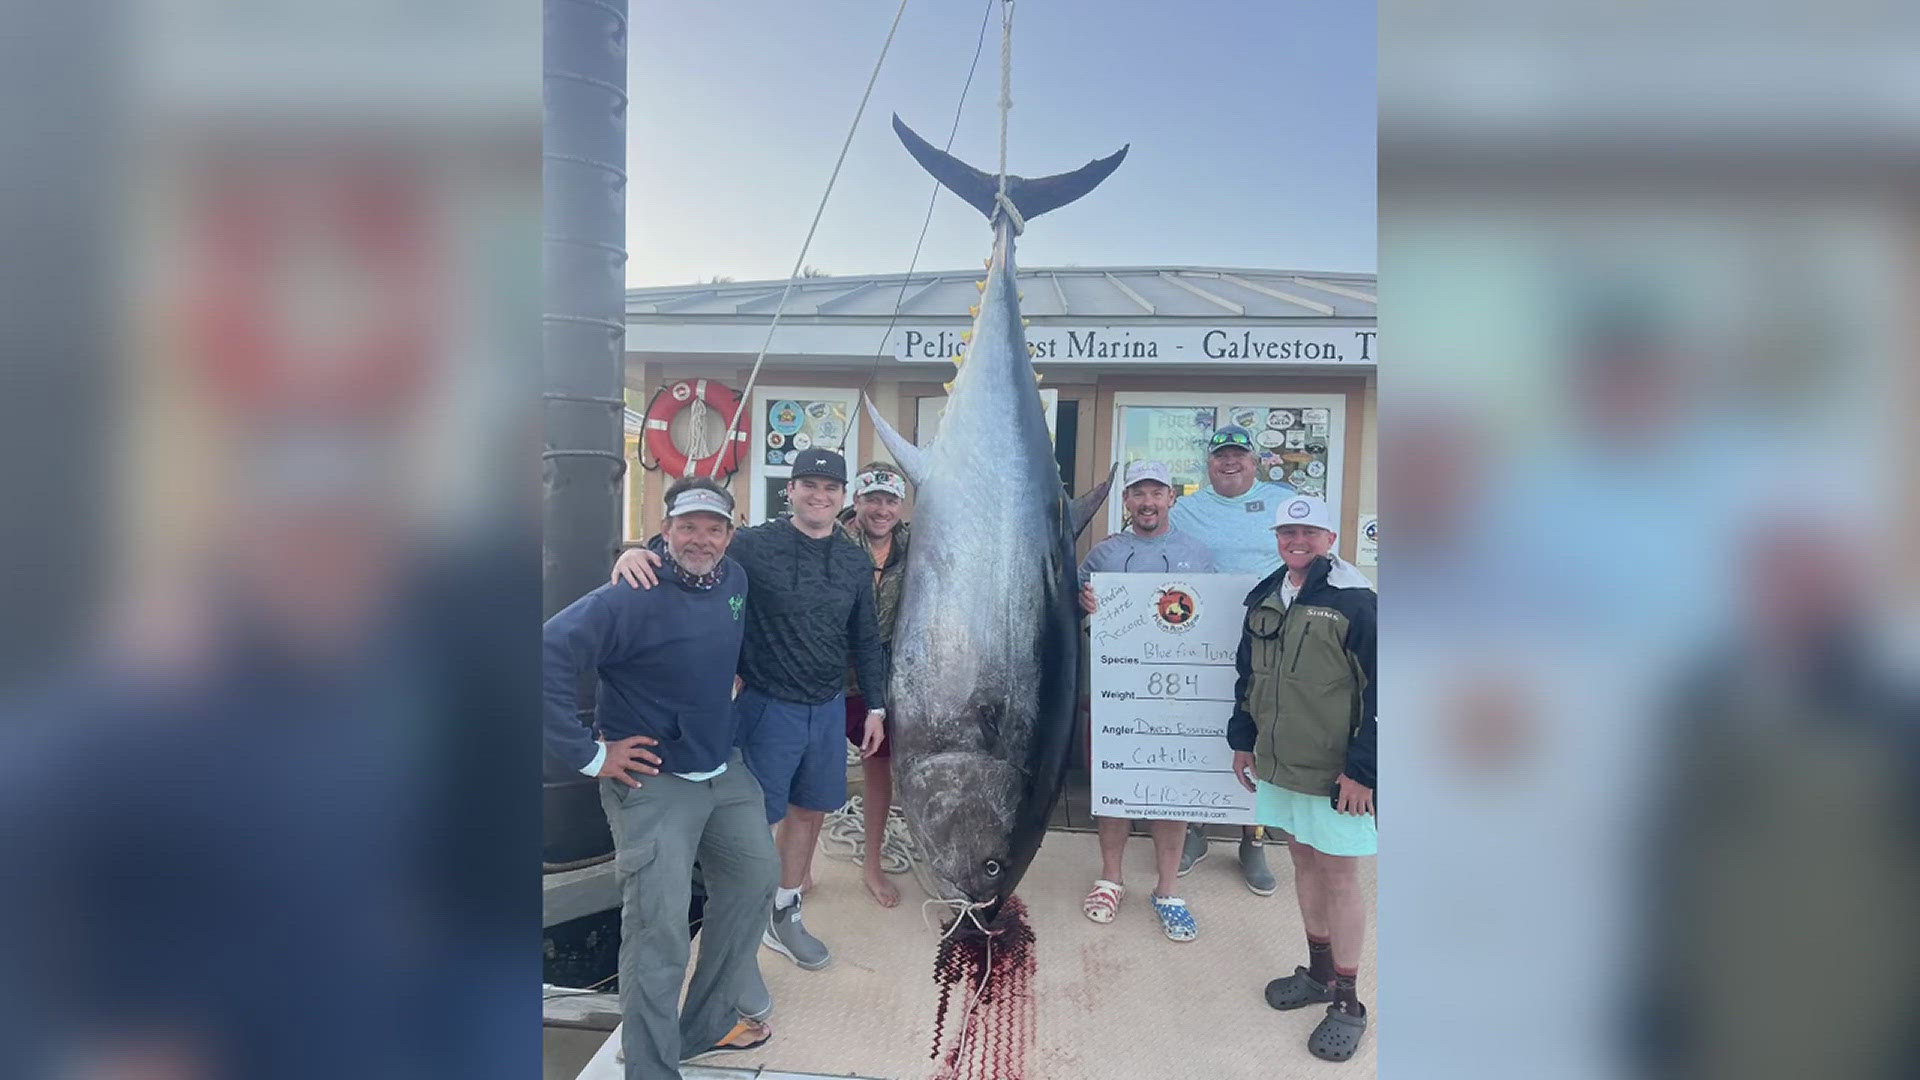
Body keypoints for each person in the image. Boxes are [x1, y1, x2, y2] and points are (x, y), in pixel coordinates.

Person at [613, 448, 886, 974]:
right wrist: (638, 552)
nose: (820, 496)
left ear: (843, 497)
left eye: (831, 488)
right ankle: (746, 915)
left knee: (811, 810)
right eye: (809, 485)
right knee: (755, 819)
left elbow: (866, 637)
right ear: (792, 491)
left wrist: (874, 705)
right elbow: (694, 549)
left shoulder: (855, 559)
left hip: (828, 708)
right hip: (767, 706)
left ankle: (784, 910)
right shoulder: (755, 544)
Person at [545, 479, 779, 1077]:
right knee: (659, 931)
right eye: (688, 526)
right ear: (666, 529)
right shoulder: (630, 591)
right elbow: (542, 654)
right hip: (652, 783)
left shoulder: (735, 579)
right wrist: (590, 755)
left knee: (754, 885)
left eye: (714, 527)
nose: (701, 539)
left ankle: (705, 1026)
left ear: (731, 534)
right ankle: (649, 1068)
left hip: (723, 771)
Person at [1227, 494, 1377, 1063]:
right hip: (1280, 764)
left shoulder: (1356, 602)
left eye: (1310, 531)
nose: (1298, 540)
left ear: (1330, 540)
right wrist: (1243, 739)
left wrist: (1363, 771)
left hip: (1338, 773)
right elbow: (1247, 674)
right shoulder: (1265, 596)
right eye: (1288, 530)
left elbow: (1383, 689)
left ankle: (1348, 999)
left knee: (1340, 875)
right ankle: (1317, 973)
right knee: (1304, 862)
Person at [1075, 460, 1216, 940]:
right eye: (1138, 493)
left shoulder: (1199, 554)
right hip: (1117, 693)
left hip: (1177, 697)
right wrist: (1081, 601)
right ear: (1126, 502)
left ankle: (1168, 888)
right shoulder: (1102, 556)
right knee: (1114, 785)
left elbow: (1215, 620)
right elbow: (1068, 605)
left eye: (1156, 492)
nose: (1147, 502)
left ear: (1171, 498)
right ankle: (1111, 877)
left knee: (1169, 792)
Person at [1166, 424, 1294, 892]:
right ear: (1210, 464)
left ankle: (1252, 840)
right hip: (1201, 635)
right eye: (1221, 455)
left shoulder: (1282, 501)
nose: (1230, 462)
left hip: (1268, 634)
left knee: (1257, 731)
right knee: (1203, 727)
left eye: (1239, 454)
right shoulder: (1186, 508)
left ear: (1255, 461)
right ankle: (1196, 830)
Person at [836, 462, 911, 908]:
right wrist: (647, 550)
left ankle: (872, 865)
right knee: (814, 770)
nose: (881, 509)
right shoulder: (833, 542)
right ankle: (797, 871)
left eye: (890, 500)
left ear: (900, 506)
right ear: (857, 501)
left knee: (878, 770)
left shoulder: (916, 545)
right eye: (872, 499)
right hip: (834, 676)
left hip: (892, 678)